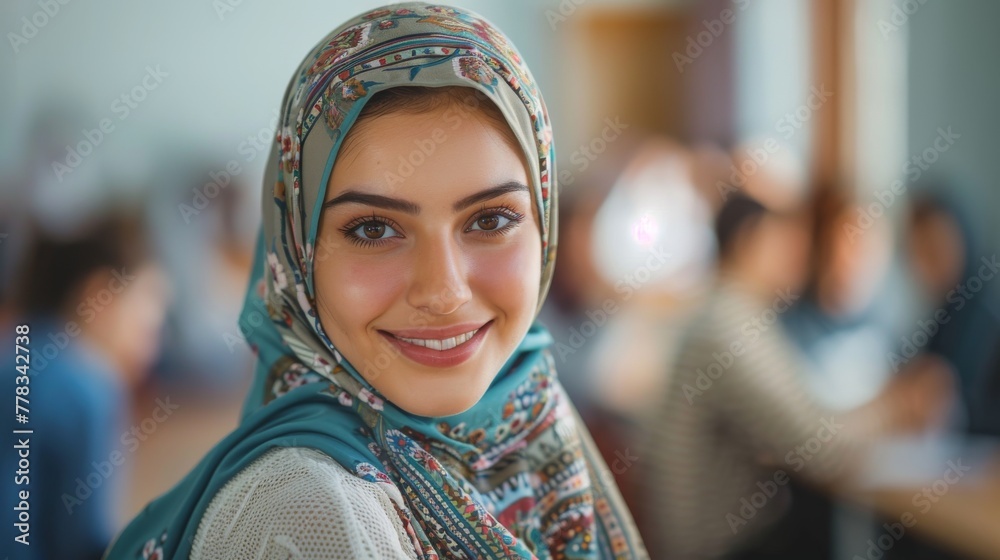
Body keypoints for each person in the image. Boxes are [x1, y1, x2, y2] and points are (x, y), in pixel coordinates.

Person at [104, 4, 647, 559]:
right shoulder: (309, 511)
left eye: (490, 220)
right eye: (374, 228)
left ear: (544, 225)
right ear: (298, 253)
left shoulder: (535, 411)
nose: (444, 291)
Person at [639, 192, 951, 560]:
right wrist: (895, 410)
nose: (799, 259)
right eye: (785, 243)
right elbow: (817, 447)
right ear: (749, 243)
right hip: (721, 546)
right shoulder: (729, 328)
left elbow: (806, 422)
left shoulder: (732, 315)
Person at [1, 210, 169, 560]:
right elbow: (86, 543)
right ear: (99, 295)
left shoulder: (13, 355)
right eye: (151, 303)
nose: (157, 333)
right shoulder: (89, 387)